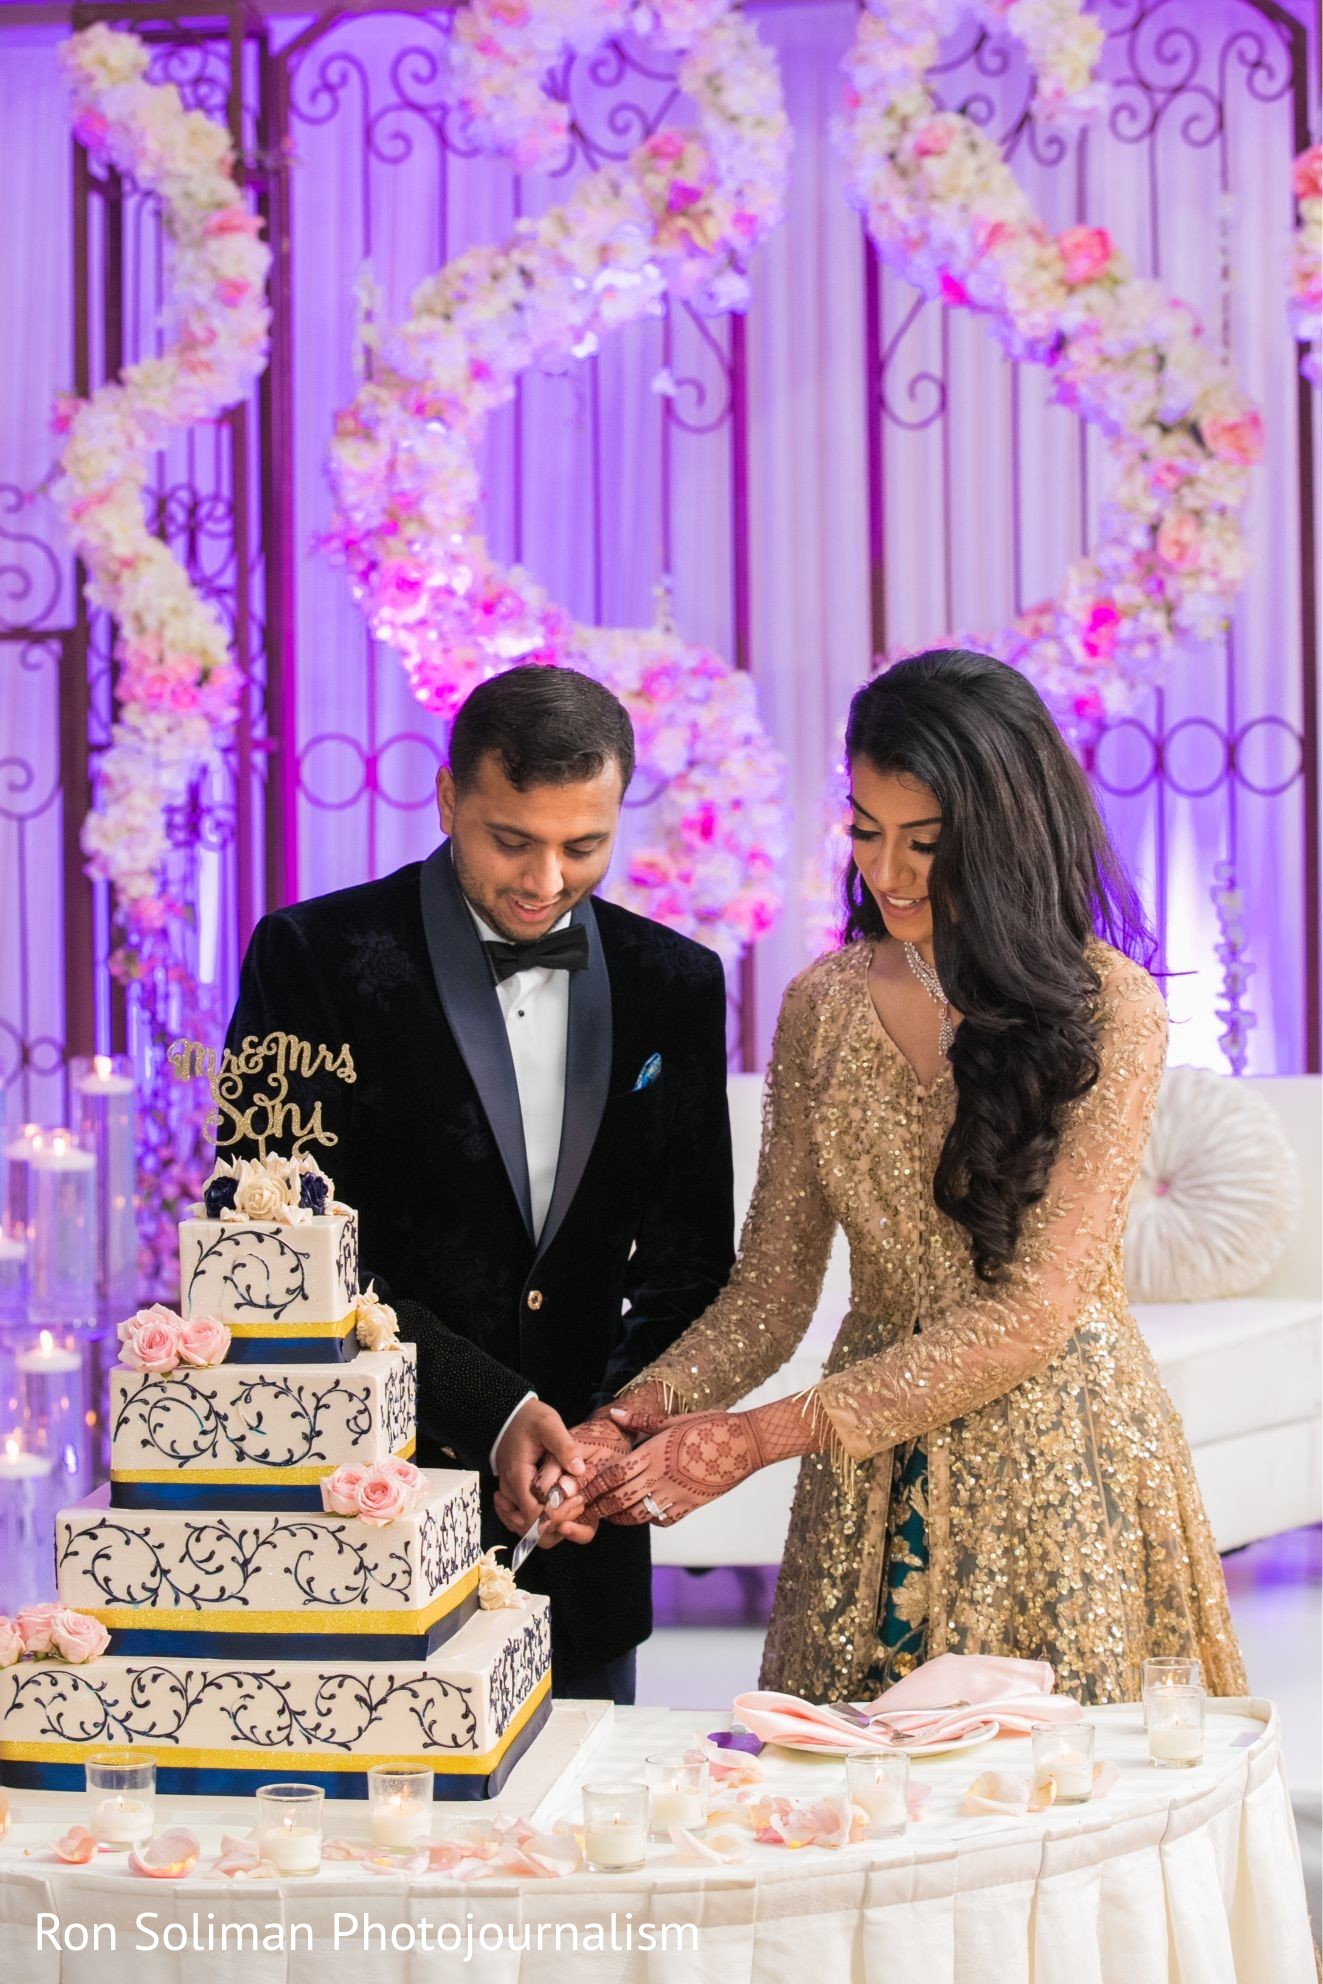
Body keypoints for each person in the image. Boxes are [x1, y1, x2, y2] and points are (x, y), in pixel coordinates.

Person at [573, 649, 1248, 1707]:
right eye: (865, 830)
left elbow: (1032, 1312)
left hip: (1056, 1461)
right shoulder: (823, 1008)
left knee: (1044, 1789)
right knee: (846, 1784)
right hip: (870, 1480)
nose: (888, 871)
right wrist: (628, 1418)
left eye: (925, 843)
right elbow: (769, 1294)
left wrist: (757, 1438)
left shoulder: (1108, 1009)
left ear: (1002, 832)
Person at [224, 664, 735, 1703]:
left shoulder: (676, 983)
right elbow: (269, 1241)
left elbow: (689, 1269)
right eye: (512, 839)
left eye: (583, 845)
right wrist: (495, 1409)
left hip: (583, 1548)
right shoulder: (308, 956)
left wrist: (601, 1443)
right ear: (450, 796)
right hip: (367, 1531)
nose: (546, 878)